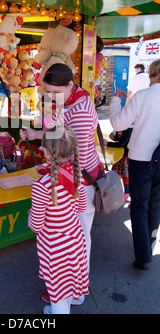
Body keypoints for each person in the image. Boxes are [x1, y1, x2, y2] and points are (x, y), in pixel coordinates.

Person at [20, 64, 102, 273]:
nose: (52, 97)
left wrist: (52, 170)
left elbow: (78, 155)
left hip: (80, 181)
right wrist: (37, 135)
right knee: (69, 240)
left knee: (80, 239)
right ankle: (66, 285)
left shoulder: (79, 111)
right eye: (48, 92)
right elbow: (62, 137)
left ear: (71, 85)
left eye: (57, 92)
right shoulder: (70, 101)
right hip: (71, 179)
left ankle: (74, 290)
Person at [28, 126, 89, 314]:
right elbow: (81, 208)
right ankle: (76, 298)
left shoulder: (42, 186)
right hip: (75, 239)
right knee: (72, 275)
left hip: (55, 247)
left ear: (46, 152)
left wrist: (30, 215)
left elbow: (37, 226)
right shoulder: (76, 175)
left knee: (58, 290)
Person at [110, 59, 160, 270]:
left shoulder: (144, 96)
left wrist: (115, 101)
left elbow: (118, 123)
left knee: (139, 206)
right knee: (156, 205)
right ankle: (149, 245)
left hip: (142, 158)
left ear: (154, 74)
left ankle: (144, 256)